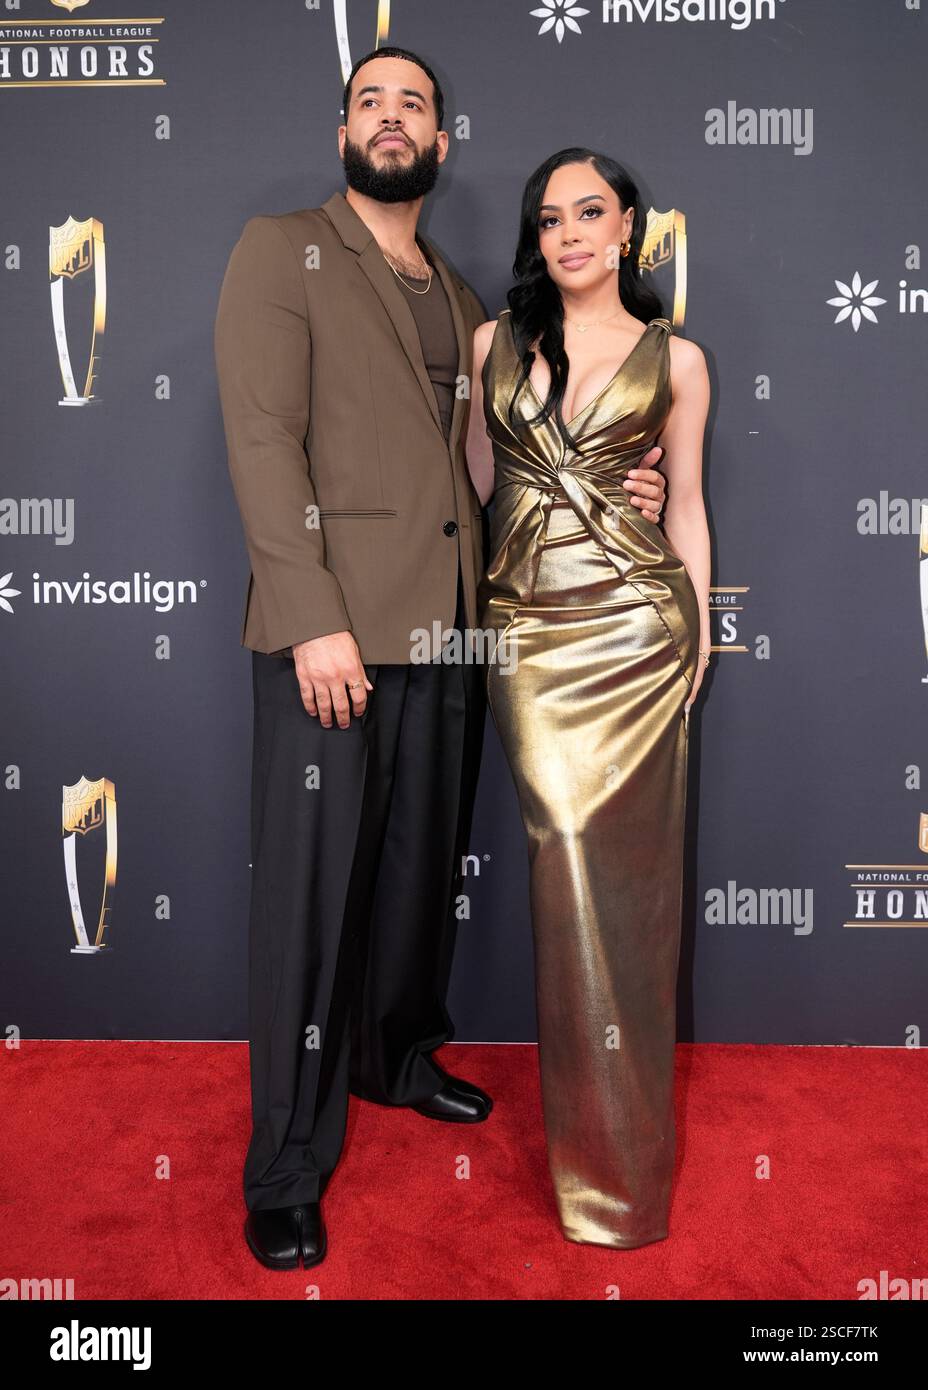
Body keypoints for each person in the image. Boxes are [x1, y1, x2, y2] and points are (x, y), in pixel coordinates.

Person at [215, 48, 669, 1271]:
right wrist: (313, 615)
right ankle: (286, 1164)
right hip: (334, 637)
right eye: (372, 100)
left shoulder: (472, 306)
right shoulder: (283, 250)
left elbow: (510, 462)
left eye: (415, 104)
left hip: (453, 635)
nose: (393, 117)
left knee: (414, 883)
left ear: (443, 144)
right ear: (345, 126)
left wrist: (629, 478)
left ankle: (395, 1058)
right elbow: (263, 441)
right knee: (311, 908)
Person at [466, 148, 711, 1249]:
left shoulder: (680, 360)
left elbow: (688, 508)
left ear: (627, 231)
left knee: (635, 891)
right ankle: (591, 1163)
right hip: (528, 627)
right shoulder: (493, 345)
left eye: (590, 213)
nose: (568, 233)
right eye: (549, 217)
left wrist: (697, 637)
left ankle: (627, 1168)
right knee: (562, 852)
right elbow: (475, 486)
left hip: (638, 627)